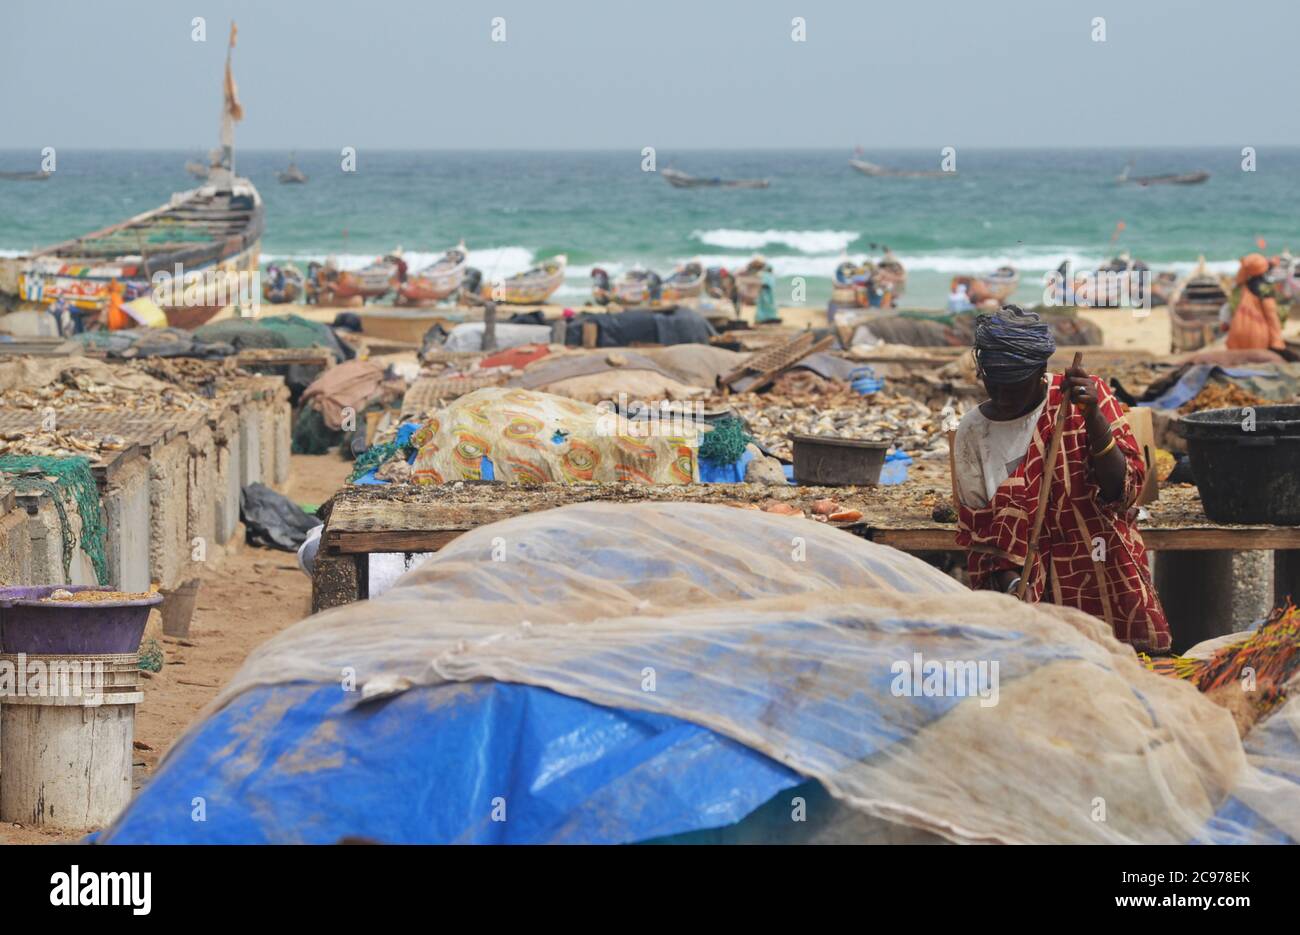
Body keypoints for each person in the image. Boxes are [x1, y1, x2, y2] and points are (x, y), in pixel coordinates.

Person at [951, 305, 1170, 653]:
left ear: (1040, 370)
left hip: (1100, 576)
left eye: (1014, 382)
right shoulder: (973, 432)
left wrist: (1094, 417)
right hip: (1023, 601)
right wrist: (1013, 593)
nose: (1003, 394)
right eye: (994, 381)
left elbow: (1123, 492)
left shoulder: (1080, 401)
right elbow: (980, 534)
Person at [1226, 253, 1298, 360]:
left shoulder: (1240, 286)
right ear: (1263, 269)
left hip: (1236, 337)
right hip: (1257, 338)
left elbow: (1229, 311)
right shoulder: (1265, 289)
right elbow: (1272, 317)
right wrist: (1277, 342)